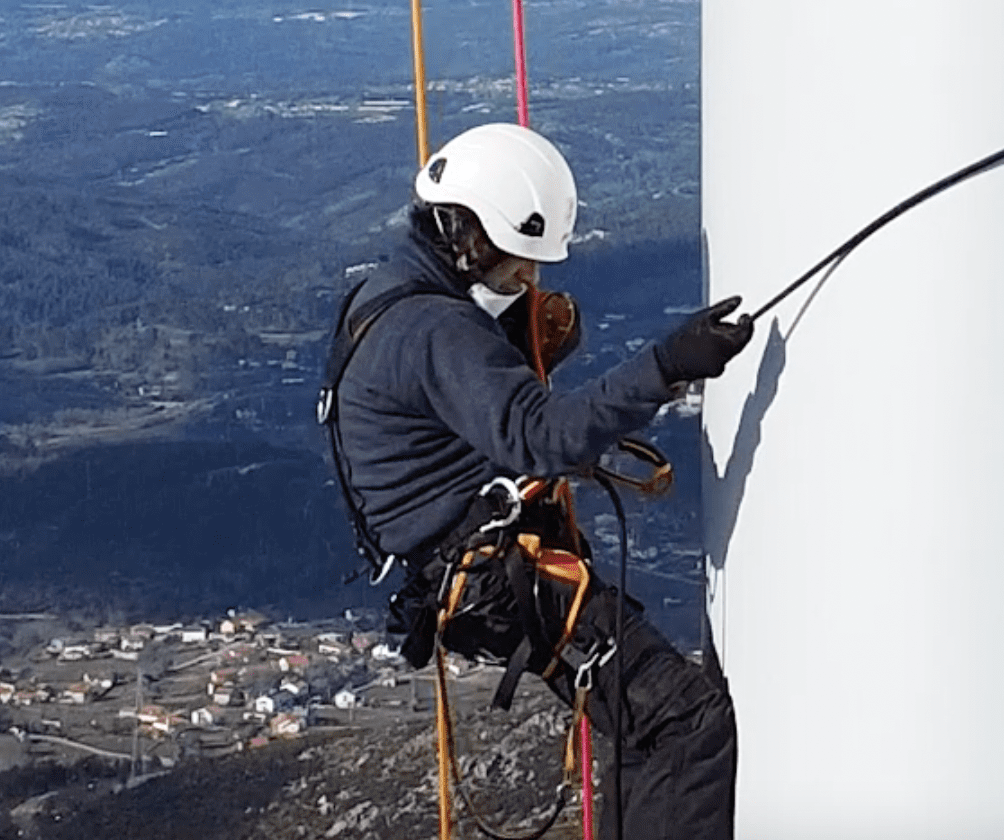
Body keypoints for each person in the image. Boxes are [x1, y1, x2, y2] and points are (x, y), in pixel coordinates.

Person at [321, 121, 756, 838]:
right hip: (499, 578)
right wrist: (667, 364)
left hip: (465, 572)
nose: (524, 277)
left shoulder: (384, 295)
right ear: (468, 235)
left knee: (646, 722)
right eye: (515, 258)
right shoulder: (437, 329)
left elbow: (446, 422)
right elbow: (543, 437)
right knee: (686, 721)